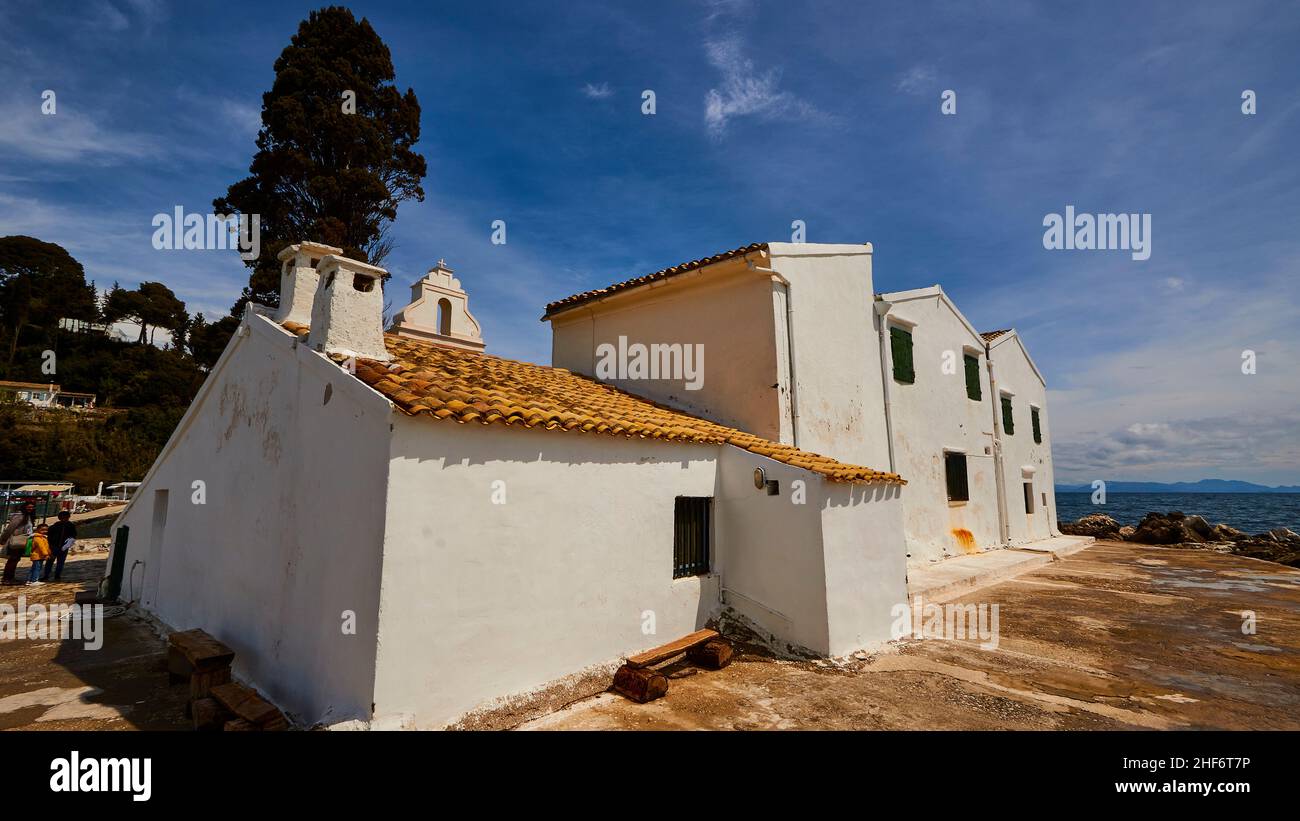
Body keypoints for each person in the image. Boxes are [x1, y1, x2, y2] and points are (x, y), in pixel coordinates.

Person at [1, 501, 37, 585]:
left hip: (23, 541)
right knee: (12, 560)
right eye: (29, 507)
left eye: (32, 507)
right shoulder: (19, 516)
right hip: (16, 541)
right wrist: (3, 539)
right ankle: (6, 579)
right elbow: (10, 528)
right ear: (24, 507)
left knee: (15, 559)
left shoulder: (28, 516)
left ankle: (11, 577)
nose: (30, 509)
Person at [43, 509, 77, 581]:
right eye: (62, 517)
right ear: (59, 518)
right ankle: (46, 575)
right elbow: (49, 536)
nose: (64, 519)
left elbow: (73, 536)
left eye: (65, 517)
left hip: (64, 547)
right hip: (53, 547)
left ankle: (57, 576)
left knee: (60, 563)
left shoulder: (71, 526)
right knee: (50, 562)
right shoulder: (54, 526)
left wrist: (67, 545)